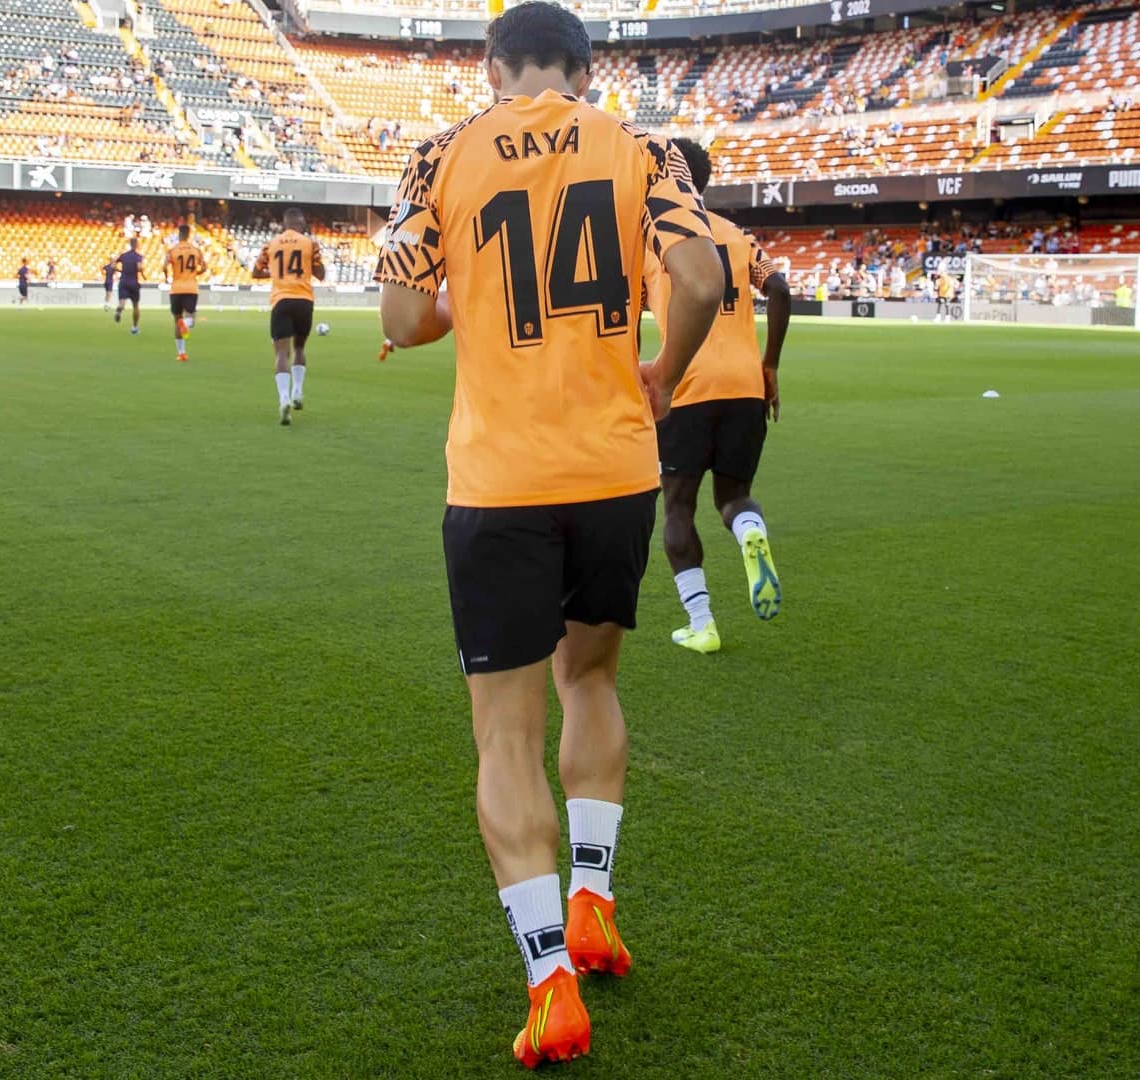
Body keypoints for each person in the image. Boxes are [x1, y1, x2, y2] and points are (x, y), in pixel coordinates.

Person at [374, 2, 721, 1067]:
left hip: (498, 480)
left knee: (502, 735)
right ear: (584, 70)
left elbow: (398, 316)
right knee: (594, 684)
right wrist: (665, 368)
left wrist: (459, 308)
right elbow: (701, 276)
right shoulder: (644, 147)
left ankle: (546, 981)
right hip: (614, 469)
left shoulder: (441, 155)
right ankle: (596, 902)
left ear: (493, 71)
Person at [646, 138, 790, 655]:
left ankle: (702, 623)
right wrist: (769, 364)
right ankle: (749, 528)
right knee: (733, 496)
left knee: (678, 508)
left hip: (684, 386)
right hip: (745, 387)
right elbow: (780, 289)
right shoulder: (736, 236)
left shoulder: (654, 240)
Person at [250, 207, 325, 424]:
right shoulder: (310, 244)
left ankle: (284, 398)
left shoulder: (271, 244)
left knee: (282, 353)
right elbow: (321, 274)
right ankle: (298, 392)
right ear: (301, 224)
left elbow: (255, 273)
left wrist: (273, 273)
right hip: (304, 300)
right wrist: (308, 268)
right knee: (300, 347)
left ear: (284, 224)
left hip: (281, 299)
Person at [164, 224, 204, 362]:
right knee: (191, 320)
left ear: (179, 234)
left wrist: (166, 276)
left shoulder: (172, 250)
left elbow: (164, 266)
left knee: (177, 320)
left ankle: (181, 353)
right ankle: (185, 324)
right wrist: (195, 273)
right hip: (191, 287)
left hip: (176, 288)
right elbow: (204, 267)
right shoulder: (196, 250)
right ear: (189, 234)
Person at [115, 238, 143, 331]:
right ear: (136, 245)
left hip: (123, 282)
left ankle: (119, 311)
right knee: (135, 305)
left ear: (130, 244)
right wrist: (143, 274)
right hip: (133, 283)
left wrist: (120, 270)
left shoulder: (123, 256)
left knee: (122, 304)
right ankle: (134, 327)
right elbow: (139, 268)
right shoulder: (138, 256)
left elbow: (113, 265)